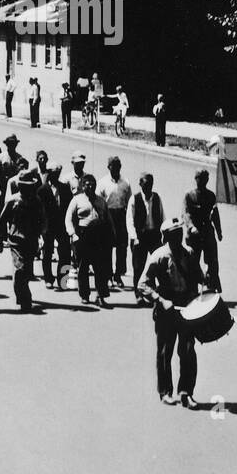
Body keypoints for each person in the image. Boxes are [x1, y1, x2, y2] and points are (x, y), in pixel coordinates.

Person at [137, 219, 204, 408]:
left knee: (188, 351)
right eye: (174, 233)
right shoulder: (159, 256)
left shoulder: (188, 253)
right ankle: (165, 391)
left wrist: (205, 277)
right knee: (165, 352)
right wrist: (159, 299)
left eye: (180, 232)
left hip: (186, 307)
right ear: (165, 236)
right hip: (167, 308)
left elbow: (198, 276)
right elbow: (142, 284)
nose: (179, 236)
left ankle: (186, 392)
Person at [0, 169, 45, 310]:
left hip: (31, 241)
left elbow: (42, 219)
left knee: (26, 272)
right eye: (24, 185)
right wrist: (0, 239)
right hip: (16, 240)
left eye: (30, 185)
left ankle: (20, 295)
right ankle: (26, 299)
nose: (28, 188)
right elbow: (2, 220)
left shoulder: (36, 201)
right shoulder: (12, 200)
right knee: (20, 269)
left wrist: (41, 236)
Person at [65, 174, 112, 307]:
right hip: (83, 235)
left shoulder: (101, 201)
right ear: (82, 186)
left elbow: (108, 219)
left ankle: (101, 296)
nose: (90, 186)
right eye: (87, 184)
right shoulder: (77, 200)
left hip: (98, 236)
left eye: (92, 184)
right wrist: (73, 235)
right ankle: (85, 295)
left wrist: (110, 236)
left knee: (100, 268)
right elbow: (68, 219)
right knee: (83, 267)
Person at [183, 169, 222, 293]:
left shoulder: (211, 195)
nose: (202, 181)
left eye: (205, 178)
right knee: (192, 261)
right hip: (194, 233)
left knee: (212, 262)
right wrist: (191, 227)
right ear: (196, 179)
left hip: (207, 231)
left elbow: (215, 214)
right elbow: (185, 214)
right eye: (200, 178)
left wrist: (219, 231)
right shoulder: (189, 195)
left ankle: (211, 286)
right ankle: (192, 289)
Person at [126, 172, 164, 300]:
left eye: (151, 184)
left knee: (158, 265)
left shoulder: (157, 198)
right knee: (138, 267)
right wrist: (134, 237)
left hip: (154, 235)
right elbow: (130, 220)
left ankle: (156, 292)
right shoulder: (134, 199)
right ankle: (139, 294)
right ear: (140, 184)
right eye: (146, 184)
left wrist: (163, 236)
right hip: (140, 237)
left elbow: (162, 216)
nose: (149, 187)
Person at [97, 156, 132, 287]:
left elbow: (129, 202)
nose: (116, 168)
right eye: (113, 165)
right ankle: (108, 275)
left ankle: (118, 275)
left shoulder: (125, 182)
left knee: (122, 247)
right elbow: (99, 203)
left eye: (118, 165)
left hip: (121, 215)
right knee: (107, 247)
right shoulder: (102, 182)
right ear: (109, 167)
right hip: (108, 215)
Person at [40, 164, 72, 288]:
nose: (56, 175)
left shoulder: (64, 188)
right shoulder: (43, 189)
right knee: (47, 252)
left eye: (58, 172)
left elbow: (70, 207)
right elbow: (39, 210)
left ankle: (63, 280)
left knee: (65, 253)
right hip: (48, 225)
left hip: (62, 225)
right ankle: (48, 278)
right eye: (53, 172)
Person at [0, 134, 28, 208]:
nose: (12, 145)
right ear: (6, 144)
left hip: (16, 188)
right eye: (10, 143)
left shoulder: (20, 158)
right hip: (2, 188)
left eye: (13, 143)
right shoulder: (1, 157)